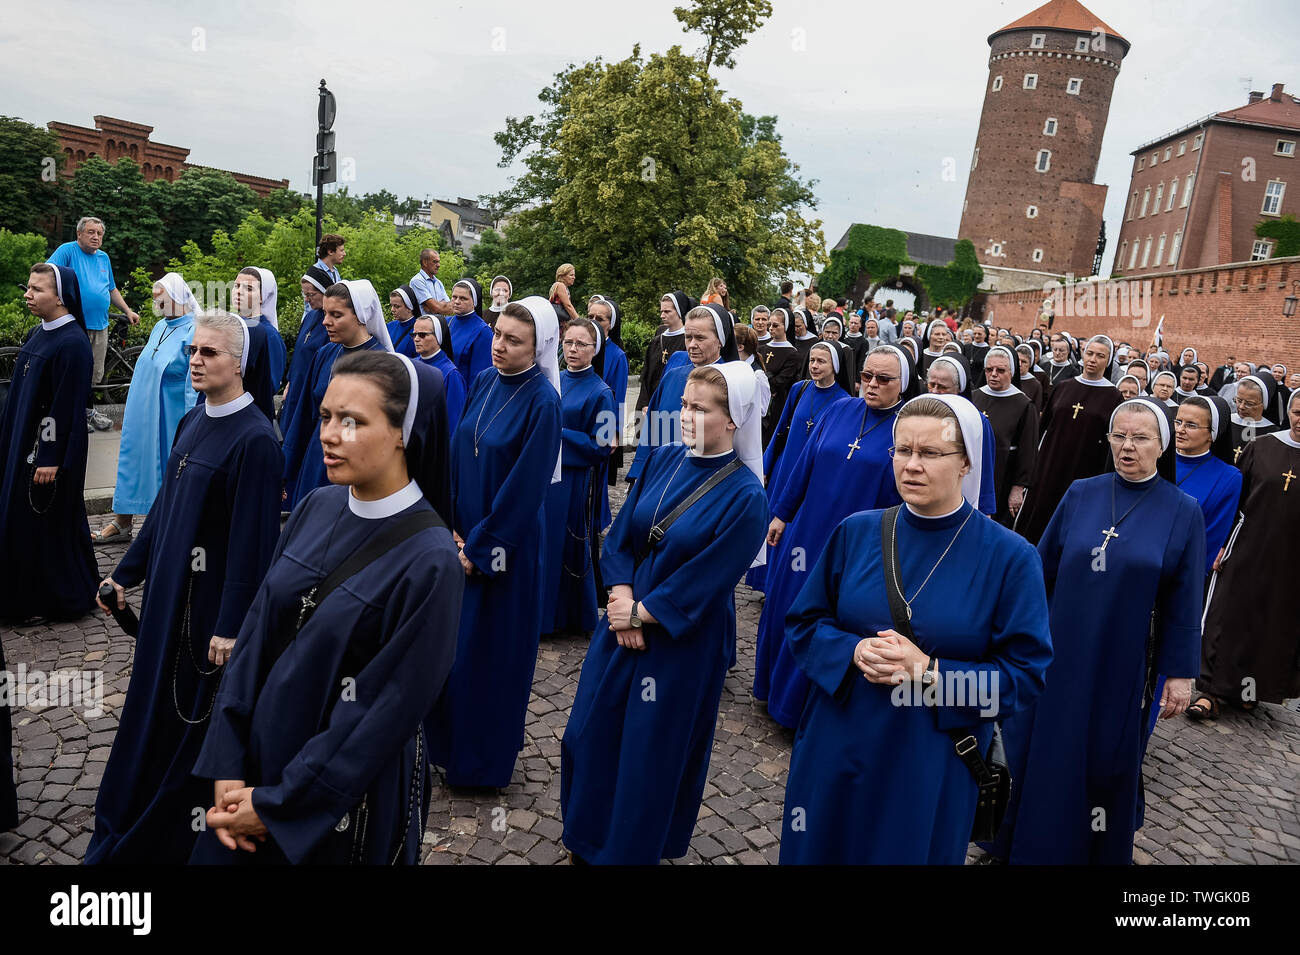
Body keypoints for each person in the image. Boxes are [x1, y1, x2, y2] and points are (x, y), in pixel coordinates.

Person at [190, 350, 464, 864]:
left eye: (353, 421)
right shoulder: (317, 505)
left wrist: (279, 804)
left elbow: (382, 712)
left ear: (403, 431)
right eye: (325, 417)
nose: (330, 435)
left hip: (336, 800)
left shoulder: (430, 562)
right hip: (252, 770)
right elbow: (254, 636)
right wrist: (227, 761)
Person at [780, 394, 1051, 864]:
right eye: (902, 450)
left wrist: (929, 671)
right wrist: (852, 650)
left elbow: (1022, 680)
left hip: (928, 764)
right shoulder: (857, 532)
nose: (911, 465)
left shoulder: (1010, 557)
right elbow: (804, 623)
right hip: (837, 743)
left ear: (966, 462)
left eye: (930, 454)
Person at [86, 310, 282, 864]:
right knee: (151, 710)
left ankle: (176, 832)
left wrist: (232, 624)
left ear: (238, 363)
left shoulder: (256, 441)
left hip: (209, 614)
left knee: (188, 720)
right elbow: (165, 514)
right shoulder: (193, 420)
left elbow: (255, 545)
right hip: (169, 601)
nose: (195, 360)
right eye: (193, 350)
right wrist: (125, 574)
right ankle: (134, 803)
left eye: (209, 353)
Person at [561, 362, 768, 865]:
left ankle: (629, 851)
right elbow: (623, 535)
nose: (686, 416)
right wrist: (621, 597)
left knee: (648, 752)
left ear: (734, 420)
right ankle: (586, 838)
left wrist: (642, 615)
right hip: (621, 616)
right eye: (684, 405)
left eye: (701, 409)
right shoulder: (664, 460)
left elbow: (708, 580)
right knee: (589, 733)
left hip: (680, 645)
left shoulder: (746, 497)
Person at [992, 397, 1204, 864]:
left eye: (1141, 438)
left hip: (1120, 660)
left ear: (1161, 444)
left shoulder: (1182, 511)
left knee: (1101, 757)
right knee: (1037, 746)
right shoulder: (1081, 492)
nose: (1127, 447)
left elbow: (1184, 601)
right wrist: (1015, 637)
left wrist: (1180, 672)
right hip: (1055, 652)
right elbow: (1039, 572)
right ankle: (1017, 846)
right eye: (1119, 435)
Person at [427, 298, 562, 789]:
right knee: (454, 653)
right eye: (498, 335)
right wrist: (450, 526)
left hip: (505, 554)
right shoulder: (483, 381)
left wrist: (479, 549)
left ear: (538, 347)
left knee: (491, 657)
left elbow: (524, 491)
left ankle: (482, 764)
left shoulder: (544, 401)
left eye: (514, 341)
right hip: (461, 540)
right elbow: (458, 455)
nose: (500, 346)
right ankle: (446, 748)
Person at [753, 346, 915, 728]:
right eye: (867, 376)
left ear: (903, 383)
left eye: (884, 379)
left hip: (859, 546)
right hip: (806, 533)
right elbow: (804, 463)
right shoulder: (839, 409)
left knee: (825, 619)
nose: (872, 384)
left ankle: (798, 709)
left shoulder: (906, 426)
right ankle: (771, 688)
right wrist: (782, 514)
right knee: (786, 606)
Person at [1192, 389, 1300, 719]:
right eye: (1298, 412)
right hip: (1246, 547)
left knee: (1269, 625)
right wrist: (1223, 542)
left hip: (1291, 562)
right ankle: (1209, 690)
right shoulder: (1263, 445)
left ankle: (1247, 689)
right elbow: (1236, 499)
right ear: (1289, 411)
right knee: (1228, 615)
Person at [0, 264, 97, 624]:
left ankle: (51, 598)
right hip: (21, 445)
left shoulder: (72, 344)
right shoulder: (37, 333)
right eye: (28, 288)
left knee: (41, 526)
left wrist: (50, 456)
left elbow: (63, 408)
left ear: (60, 297)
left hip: (44, 455)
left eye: (36, 290)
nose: (27, 295)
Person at [97, 273, 199, 542]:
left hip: (171, 414)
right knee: (134, 462)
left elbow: (193, 379)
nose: (156, 302)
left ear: (176, 296)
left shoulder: (194, 329)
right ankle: (122, 522)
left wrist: (191, 420)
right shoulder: (160, 327)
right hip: (143, 412)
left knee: (168, 466)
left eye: (160, 296)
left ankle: (168, 527)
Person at [281, 280, 392, 510]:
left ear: (360, 316)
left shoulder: (382, 364)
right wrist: (283, 469)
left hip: (355, 468)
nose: (325, 322)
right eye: (325, 313)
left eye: (336, 315)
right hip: (315, 457)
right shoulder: (326, 353)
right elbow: (303, 417)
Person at [751, 342, 853, 593]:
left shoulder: (844, 401)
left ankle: (789, 584)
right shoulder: (799, 389)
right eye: (812, 361)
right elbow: (780, 428)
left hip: (811, 478)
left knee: (795, 532)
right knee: (772, 526)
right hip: (784, 470)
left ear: (835, 367)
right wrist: (766, 465)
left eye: (821, 362)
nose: (815, 366)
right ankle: (768, 584)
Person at [541, 318, 615, 637]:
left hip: (573, 481)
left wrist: (558, 434)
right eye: (568, 342)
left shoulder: (601, 391)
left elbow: (603, 444)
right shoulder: (553, 378)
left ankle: (562, 618)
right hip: (546, 476)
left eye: (580, 344)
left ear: (594, 349)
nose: (572, 349)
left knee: (563, 545)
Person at [1014, 335, 1122, 545]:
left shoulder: (1113, 397)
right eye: (1090, 353)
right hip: (1048, 468)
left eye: (1100, 356)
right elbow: (1043, 431)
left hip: (1084, 473)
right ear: (1083, 354)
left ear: (1108, 361)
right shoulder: (1063, 387)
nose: (1093, 359)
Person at [47, 216, 140, 432]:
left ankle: (86, 412)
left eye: (99, 233)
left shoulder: (103, 258)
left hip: (100, 325)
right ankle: (70, 415)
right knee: (70, 371)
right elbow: (48, 274)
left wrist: (127, 310)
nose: (95, 237)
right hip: (73, 325)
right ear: (79, 234)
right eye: (90, 232)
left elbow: (111, 288)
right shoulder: (67, 251)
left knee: (92, 375)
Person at [626, 306, 734, 483]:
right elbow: (652, 424)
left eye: (700, 338)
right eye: (688, 337)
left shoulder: (730, 383)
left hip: (701, 480)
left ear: (720, 340)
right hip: (660, 473)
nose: (692, 345)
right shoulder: (672, 376)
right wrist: (640, 470)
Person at [974, 346, 1038, 527]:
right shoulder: (975, 396)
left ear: (1012, 372)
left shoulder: (1024, 404)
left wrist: (1018, 488)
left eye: (1000, 370)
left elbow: (1028, 451)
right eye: (989, 369)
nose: (994, 374)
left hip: (1003, 476)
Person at [279, 267, 333, 452]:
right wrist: (289, 381)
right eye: (305, 294)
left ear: (325, 291)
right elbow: (300, 352)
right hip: (296, 386)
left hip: (311, 389)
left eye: (310, 294)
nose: (306, 299)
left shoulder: (331, 323)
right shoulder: (310, 316)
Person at [589, 296, 628, 531]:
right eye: (590, 316)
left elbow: (619, 398)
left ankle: (596, 520)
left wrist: (611, 430)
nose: (593, 321)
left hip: (600, 423)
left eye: (599, 318)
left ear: (610, 324)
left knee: (597, 478)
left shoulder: (617, 356)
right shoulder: (579, 344)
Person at [230, 267, 286, 422]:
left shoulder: (269, 335)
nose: (239, 292)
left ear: (262, 297)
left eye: (248, 288)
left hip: (251, 416)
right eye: (236, 286)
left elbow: (270, 384)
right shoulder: (231, 328)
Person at [635, 291, 693, 423]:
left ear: (679, 311)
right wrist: (645, 403)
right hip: (650, 404)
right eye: (661, 311)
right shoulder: (656, 341)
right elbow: (646, 376)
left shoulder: (688, 341)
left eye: (667, 311)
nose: (662, 315)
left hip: (674, 404)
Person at [411, 314, 465, 433]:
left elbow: (454, 421)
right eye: (414, 334)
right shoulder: (411, 365)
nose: (416, 339)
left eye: (422, 335)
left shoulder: (451, 374)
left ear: (438, 337)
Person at [758, 307, 801, 445]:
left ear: (786, 327)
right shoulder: (762, 348)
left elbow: (780, 382)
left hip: (776, 406)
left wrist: (763, 375)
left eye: (775, 325)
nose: (770, 328)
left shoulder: (792, 353)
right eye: (769, 324)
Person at [447, 278, 493, 384]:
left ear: (474, 302)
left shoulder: (483, 331)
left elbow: (479, 376)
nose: (457, 301)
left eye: (463, 298)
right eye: (454, 297)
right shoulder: (446, 323)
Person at [1228, 374, 1281, 465]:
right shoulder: (1226, 421)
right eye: (1239, 400)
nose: (1241, 407)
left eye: (1249, 403)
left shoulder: (1273, 433)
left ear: (1264, 404)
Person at [410, 248, 453, 317]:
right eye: (435, 262)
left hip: (439, 325)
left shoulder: (438, 283)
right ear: (425, 262)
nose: (438, 265)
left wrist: (432, 307)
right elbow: (436, 308)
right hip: (424, 326)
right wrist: (441, 305)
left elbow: (451, 308)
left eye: (438, 262)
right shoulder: (417, 281)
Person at [386, 285, 423, 358]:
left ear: (409, 308)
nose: (392, 310)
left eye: (397, 306)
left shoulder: (419, 330)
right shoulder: (389, 326)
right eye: (392, 305)